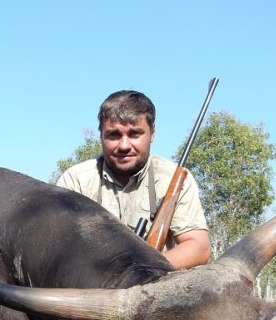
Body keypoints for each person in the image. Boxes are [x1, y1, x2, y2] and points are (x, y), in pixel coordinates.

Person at [56, 90, 210, 270]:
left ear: (152, 134)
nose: (124, 145)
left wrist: (145, 269)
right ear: (101, 135)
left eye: (135, 134)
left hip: (157, 282)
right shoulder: (75, 180)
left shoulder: (173, 178)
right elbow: (57, 246)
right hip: (90, 281)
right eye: (113, 135)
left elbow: (198, 247)